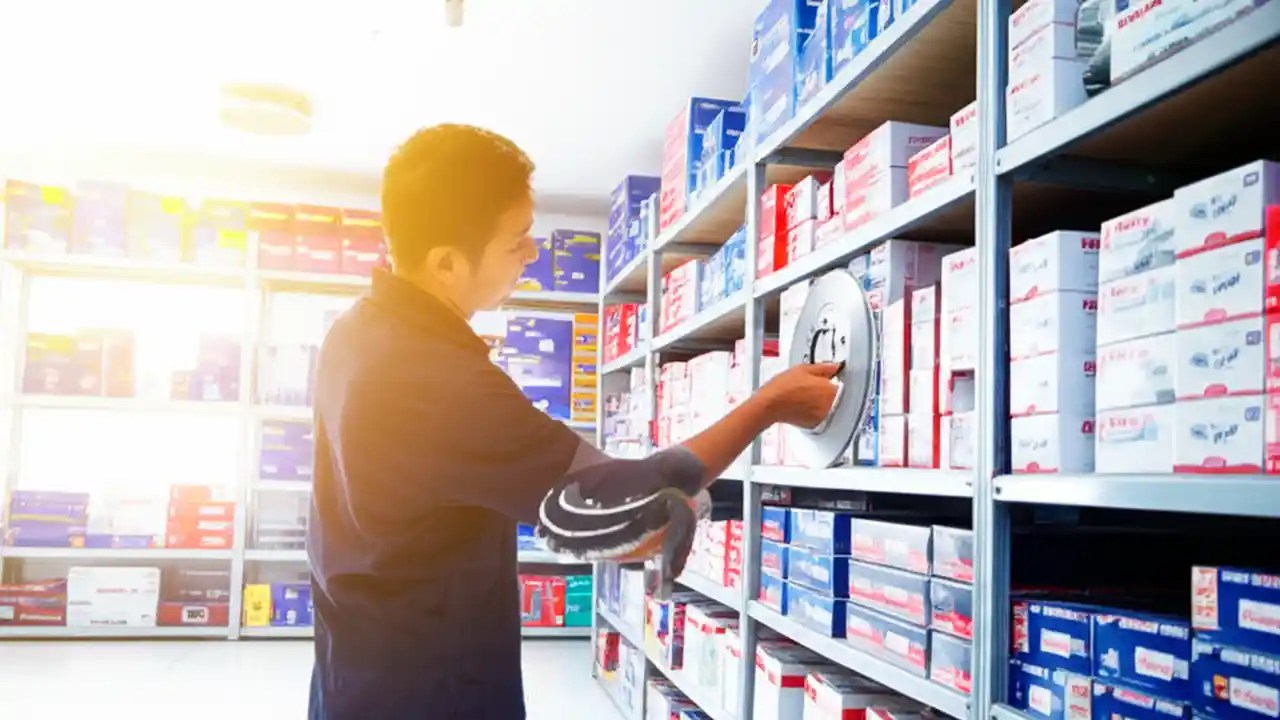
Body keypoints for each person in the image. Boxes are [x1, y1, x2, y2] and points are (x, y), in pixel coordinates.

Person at [306, 123, 841, 719]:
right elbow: (630, 510)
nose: (531, 254)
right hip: (429, 694)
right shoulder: (440, 383)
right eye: (516, 242)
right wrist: (768, 405)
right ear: (445, 263)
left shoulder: (354, 334)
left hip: (353, 676)